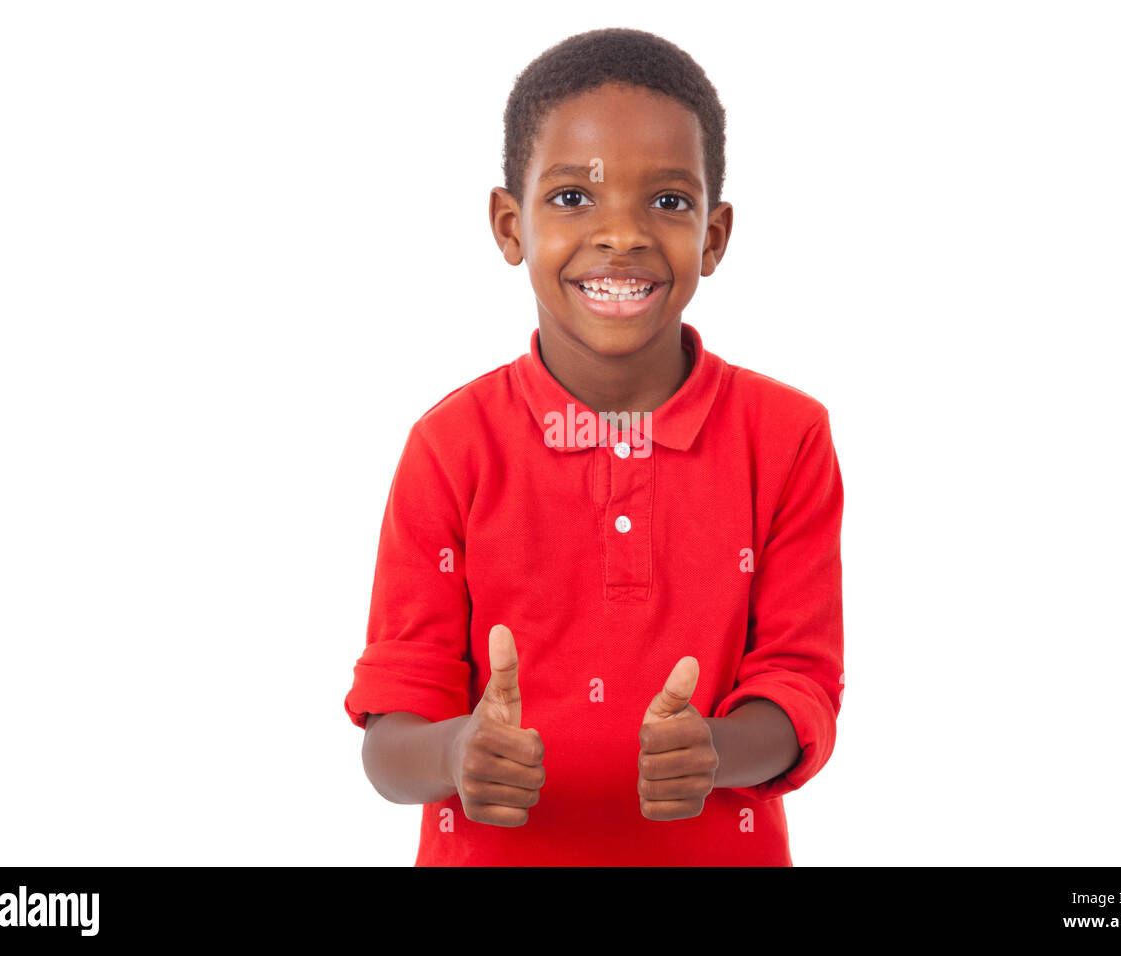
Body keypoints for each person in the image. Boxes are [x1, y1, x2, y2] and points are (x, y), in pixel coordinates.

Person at [344, 27, 845, 865]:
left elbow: (802, 689)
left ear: (714, 238)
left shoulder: (788, 438)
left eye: (669, 202)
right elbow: (389, 743)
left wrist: (717, 749)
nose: (622, 235)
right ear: (510, 227)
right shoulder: (448, 447)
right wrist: (453, 752)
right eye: (574, 198)